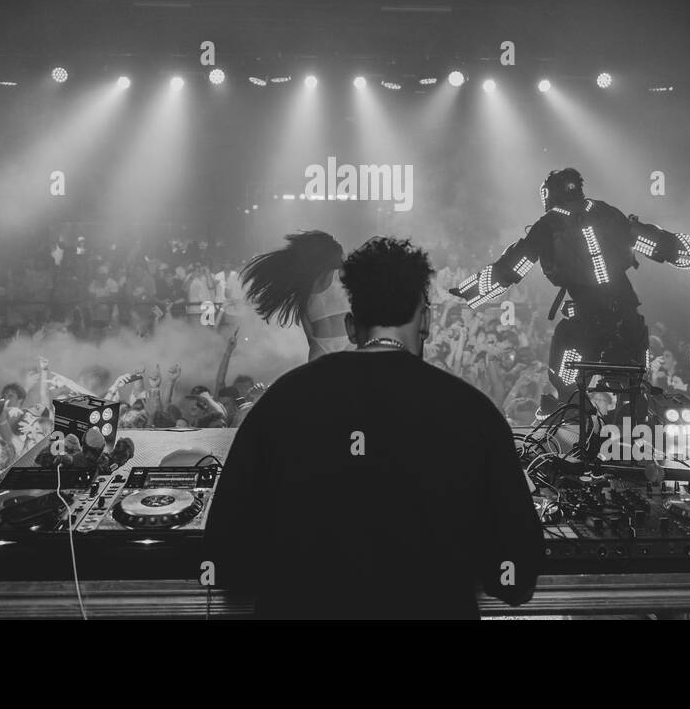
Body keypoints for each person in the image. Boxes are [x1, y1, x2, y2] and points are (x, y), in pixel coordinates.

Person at [205, 237, 543, 618]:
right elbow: (518, 576)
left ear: (352, 326)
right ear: (428, 321)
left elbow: (225, 556)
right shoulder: (474, 412)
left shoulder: (281, 404)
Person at [450, 168, 690, 414]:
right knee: (635, 388)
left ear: (548, 194)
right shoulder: (608, 212)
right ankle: (633, 425)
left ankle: (567, 421)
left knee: (566, 383)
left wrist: (470, 291)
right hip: (628, 318)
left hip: (587, 324)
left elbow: (513, 265)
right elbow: (659, 242)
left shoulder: (548, 225)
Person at [240, 230, 355, 359]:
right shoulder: (341, 274)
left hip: (320, 348)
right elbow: (374, 242)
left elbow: (310, 337)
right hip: (349, 342)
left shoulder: (303, 289)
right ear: (333, 256)